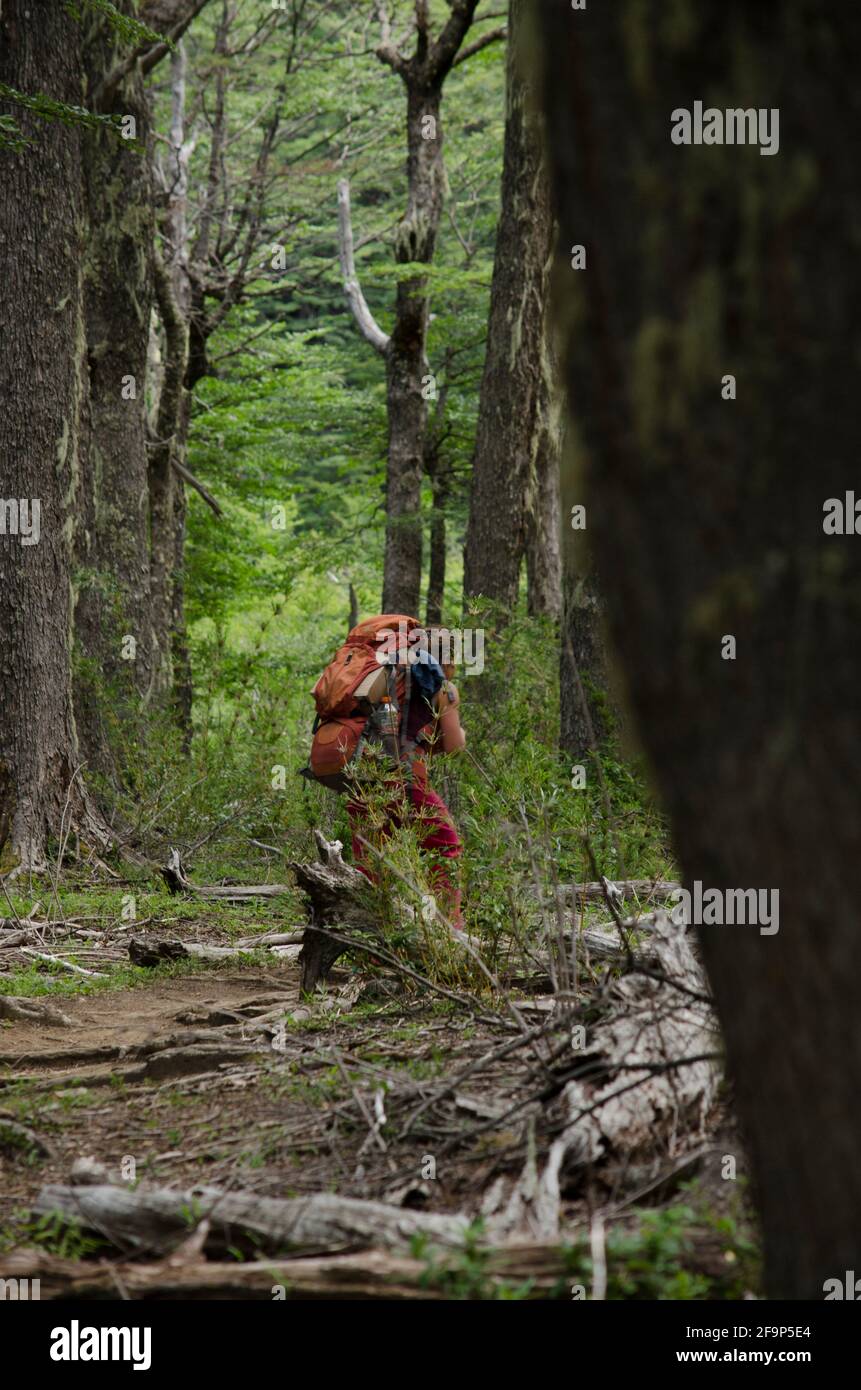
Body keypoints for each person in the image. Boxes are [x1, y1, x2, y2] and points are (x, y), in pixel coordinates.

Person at [345, 627, 467, 930]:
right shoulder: (444, 688)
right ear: (447, 657)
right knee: (446, 847)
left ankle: (373, 940)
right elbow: (454, 747)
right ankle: (447, 930)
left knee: (371, 861)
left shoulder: (388, 675)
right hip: (406, 781)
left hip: (362, 778)